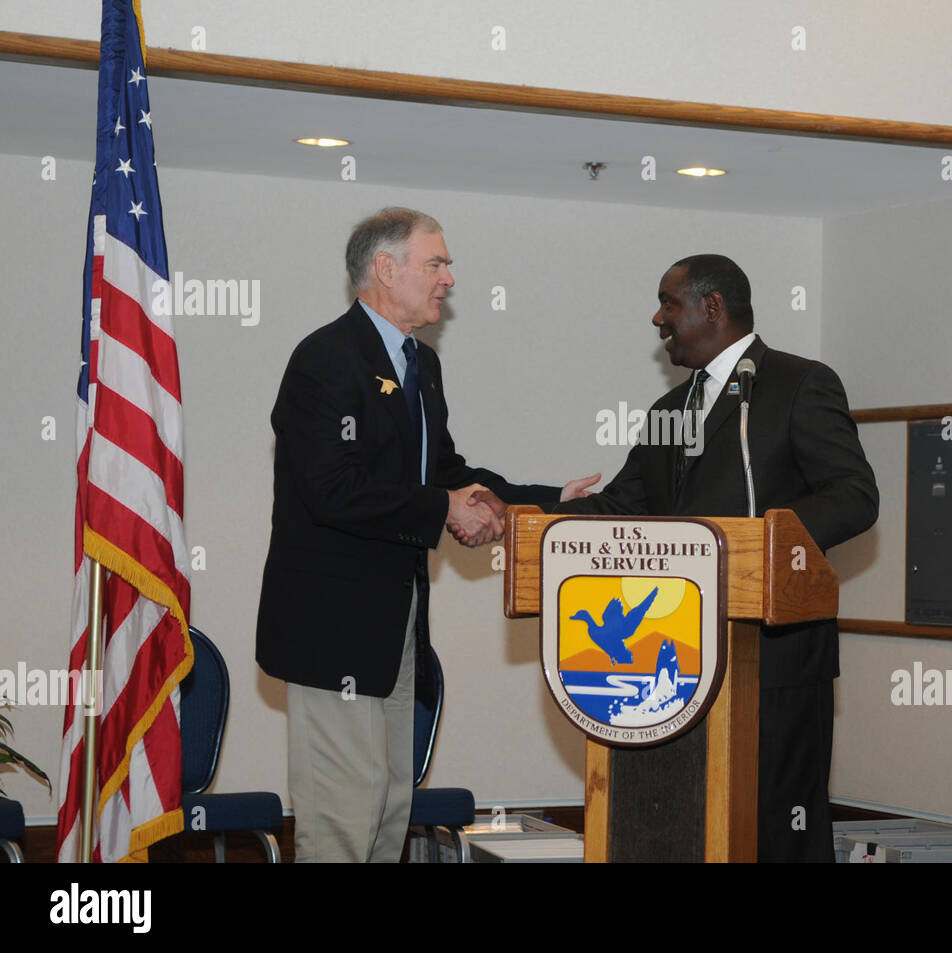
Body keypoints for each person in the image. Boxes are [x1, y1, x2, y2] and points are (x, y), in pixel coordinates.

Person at [255, 207, 597, 862]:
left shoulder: (422, 364)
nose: (449, 277)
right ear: (386, 268)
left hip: (397, 626)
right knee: (341, 817)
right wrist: (442, 508)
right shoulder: (324, 359)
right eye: (436, 262)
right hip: (332, 633)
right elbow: (332, 489)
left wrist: (549, 501)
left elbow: (445, 474)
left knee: (387, 806)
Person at [552, 253, 878, 861]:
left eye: (667, 303)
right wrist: (528, 519)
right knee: (680, 819)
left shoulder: (798, 383)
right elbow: (622, 508)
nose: (657, 318)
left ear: (712, 306)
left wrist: (759, 547)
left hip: (776, 656)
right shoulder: (669, 412)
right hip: (674, 661)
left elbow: (855, 496)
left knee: (779, 826)